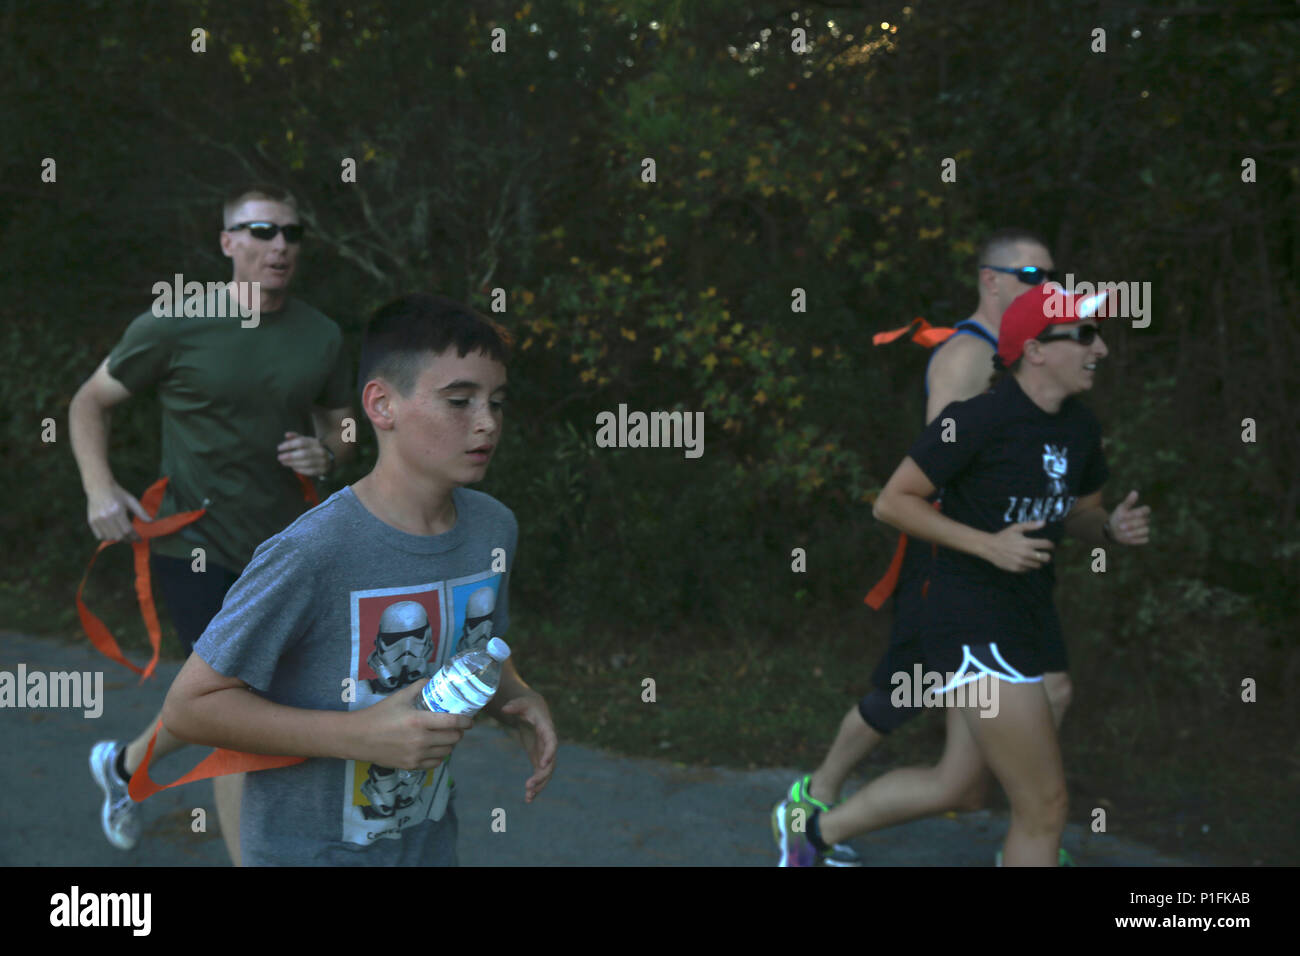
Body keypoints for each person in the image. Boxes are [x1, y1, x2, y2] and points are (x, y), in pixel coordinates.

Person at [161, 293, 557, 866]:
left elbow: (481, 647)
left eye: (497, 402)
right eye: (459, 401)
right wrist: (358, 735)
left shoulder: (494, 529)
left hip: (427, 848)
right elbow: (190, 707)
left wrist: (515, 695)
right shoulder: (313, 552)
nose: (487, 422)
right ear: (381, 405)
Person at [775, 282, 1150, 865]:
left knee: (960, 788)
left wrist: (1109, 530)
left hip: (1027, 612)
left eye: (1098, 335)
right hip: (972, 621)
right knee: (1044, 808)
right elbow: (893, 502)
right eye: (1084, 335)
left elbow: (1080, 513)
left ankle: (812, 835)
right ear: (1035, 350)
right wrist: (988, 546)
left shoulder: (1079, 426)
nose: (1100, 348)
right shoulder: (977, 419)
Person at [71, 184, 355, 863]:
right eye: (262, 231)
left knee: (230, 701)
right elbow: (90, 401)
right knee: (240, 710)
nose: (280, 245)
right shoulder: (175, 321)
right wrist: (98, 488)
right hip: (193, 546)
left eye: (292, 233)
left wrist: (330, 452)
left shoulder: (321, 335)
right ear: (228, 242)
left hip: (285, 552)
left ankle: (124, 767)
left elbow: (344, 425)